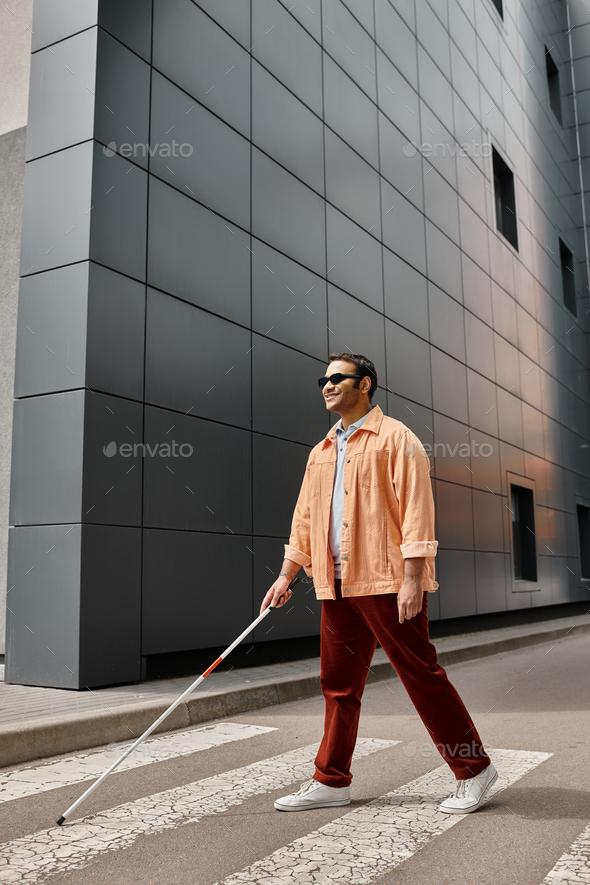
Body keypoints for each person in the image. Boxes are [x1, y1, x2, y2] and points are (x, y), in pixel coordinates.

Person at [260, 352, 497, 815]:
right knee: (338, 684)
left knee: (419, 675)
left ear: (364, 384)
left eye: (337, 378)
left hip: (387, 580)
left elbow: (416, 510)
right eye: (323, 380)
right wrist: (287, 574)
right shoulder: (321, 451)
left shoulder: (397, 439)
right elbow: (304, 518)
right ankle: (331, 780)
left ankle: (475, 770)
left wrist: (412, 579)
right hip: (337, 584)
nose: (327, 386)